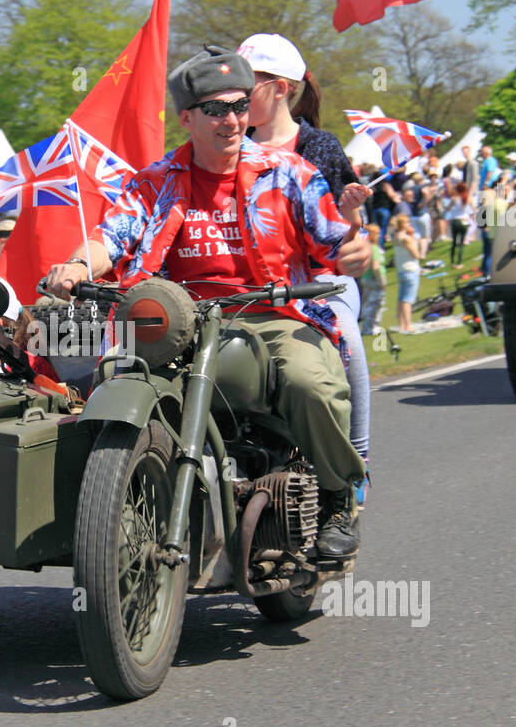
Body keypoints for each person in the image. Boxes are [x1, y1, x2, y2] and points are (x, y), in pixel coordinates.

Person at [46, 47, 367, 559]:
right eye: (216, 109)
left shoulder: (291, 173)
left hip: (272, 315)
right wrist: (79, 265)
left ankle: (336, 499)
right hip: (177, 322)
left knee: (311, 383)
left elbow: (335, 243)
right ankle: (113, 506)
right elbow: (112, 235)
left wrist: (354, 248)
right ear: (187, 117)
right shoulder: (154, 181)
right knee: (109, 380)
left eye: (239, 106)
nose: (232, 120)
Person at [237, 32, 375, 484]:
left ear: (281, 87)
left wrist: (353, 217)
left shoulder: (320, 147)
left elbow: (345, 235)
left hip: (319, 281)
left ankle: (357, 458)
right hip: (253, 286)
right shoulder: (230, 146)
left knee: (348, 337)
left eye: (248, 83)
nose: (237, 94)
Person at [392, 214, 421, 334]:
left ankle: (402, 324)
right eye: (407, 222)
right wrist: (413, 237)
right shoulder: (406, 238)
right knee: (407, 300)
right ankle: (408, 325)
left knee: (401, 298)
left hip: (401, 270)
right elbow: (416, 254)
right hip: (410, 269)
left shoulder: (396, 236)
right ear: (403, 224)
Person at [358, 223, 387, 335]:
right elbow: (376, 267)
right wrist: (381, 281)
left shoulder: (365, 247)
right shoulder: (374, 248)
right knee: (375, 304)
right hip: (374, 279)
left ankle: (367, 327)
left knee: (367, 304)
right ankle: (371, 327)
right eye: (378, 233)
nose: (380, 235)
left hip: (365, 278)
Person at [443, 183, 475, 266]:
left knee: (454, 242)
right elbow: (474, 209)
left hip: (455, 221)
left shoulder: (454, 199)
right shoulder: (468, 198)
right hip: (464, 221)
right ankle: (459, 263)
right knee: (461, 244)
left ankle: (452, 262)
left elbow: (448, 209)